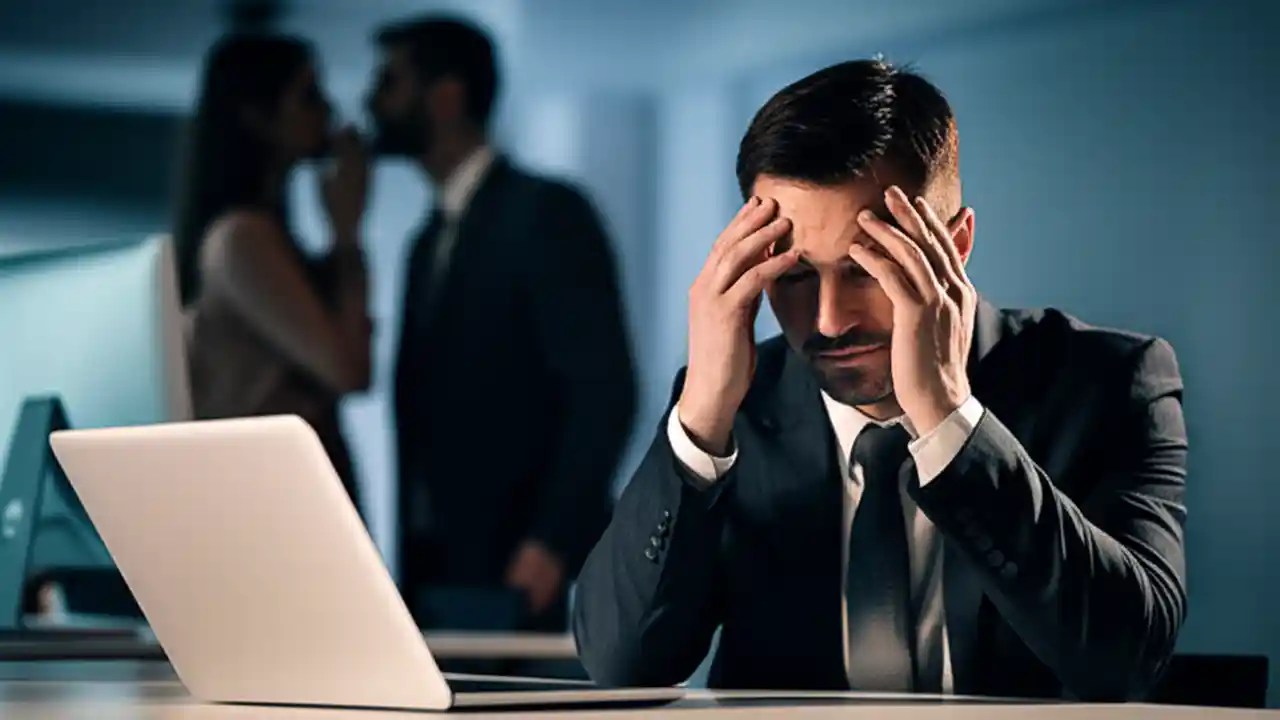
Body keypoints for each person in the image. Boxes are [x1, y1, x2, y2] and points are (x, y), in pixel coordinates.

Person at [573, 59, 1187, 701]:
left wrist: (951, 422)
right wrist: (701, 416)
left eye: (868, 270)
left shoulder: (1112, 383)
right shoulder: (729, 407)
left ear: (958, 244)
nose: (830, 322)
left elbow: (1128, 660)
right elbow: (623, 667)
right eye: (796, 276)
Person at [368, 17, 637, 631]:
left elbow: (603, 387)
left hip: (519, 565)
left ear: (445, 96)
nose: (371, 101)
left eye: (389, 82)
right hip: (432, 564)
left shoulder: (547, 213)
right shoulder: (426, 240)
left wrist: (552, 537)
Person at [177, 34, 372, 512]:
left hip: (282, 490)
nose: (327, 111)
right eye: (309, 95)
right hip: (264, 498)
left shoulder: (270, 237)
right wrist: (347, 236)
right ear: (258, 117)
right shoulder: (241, 238)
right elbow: (349, 369)